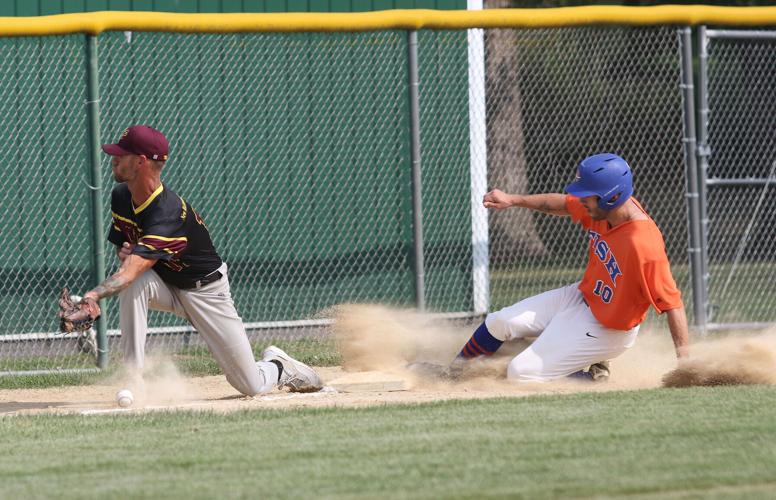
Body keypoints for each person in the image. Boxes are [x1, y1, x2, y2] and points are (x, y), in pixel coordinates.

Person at [73, 125, 322, 395]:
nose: (114, 158)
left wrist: (92, 296)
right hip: (167, 285)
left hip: (206, 292)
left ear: (141, 161)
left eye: (122, 154)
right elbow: (128, 260)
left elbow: (131, 270)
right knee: (135, 283)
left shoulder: (168, 214)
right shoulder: (121, 197)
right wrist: (129, 254)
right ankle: (134, 377)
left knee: (252, 386)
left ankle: (278, 365)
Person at [454, 153, 689, 382]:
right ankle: (454, 374)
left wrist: (685, 366)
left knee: (520, 373)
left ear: (612, 197)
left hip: (608, 329)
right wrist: (513, 200)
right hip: (581, 296)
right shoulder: (604, 210)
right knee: (499, 321)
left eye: (587, 196)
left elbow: (673, 305)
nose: (581, 200)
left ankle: (592, 377)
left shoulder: (643, 244)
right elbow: (563, 204)